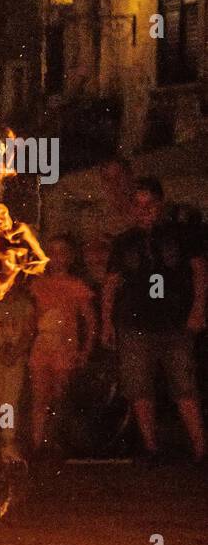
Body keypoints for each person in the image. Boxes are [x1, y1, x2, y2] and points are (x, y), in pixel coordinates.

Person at [101, 177, 206, 461]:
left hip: (174, 323)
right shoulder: (125, 241)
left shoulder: (181, 234)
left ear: (160, 204)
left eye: (150, 204)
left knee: (183, 385)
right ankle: (151, 447)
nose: (144, 211)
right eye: (139, 205)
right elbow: (111, 283)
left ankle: (200, 447)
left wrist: (198, 309)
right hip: (135, 324)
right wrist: (107, 322)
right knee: (139, 386)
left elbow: (199, 271)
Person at [28, 235, 96, 453]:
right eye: (52, 252)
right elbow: (30, 319)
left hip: (65, 348)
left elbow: (90, 320)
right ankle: (38, 443)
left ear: (70, 257)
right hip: (41, 348)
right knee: (40, 397)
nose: (57, 257)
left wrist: (85, 350)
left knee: (60, 396)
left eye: (62, 252)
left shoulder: (76, 285)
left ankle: (55, 441)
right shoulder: (37, 284)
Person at [0, 286, 35, 463]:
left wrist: (16, 352)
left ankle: (7, 442)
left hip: (15, 358)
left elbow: (29, 332)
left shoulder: (24, 306)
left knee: (9, 401)